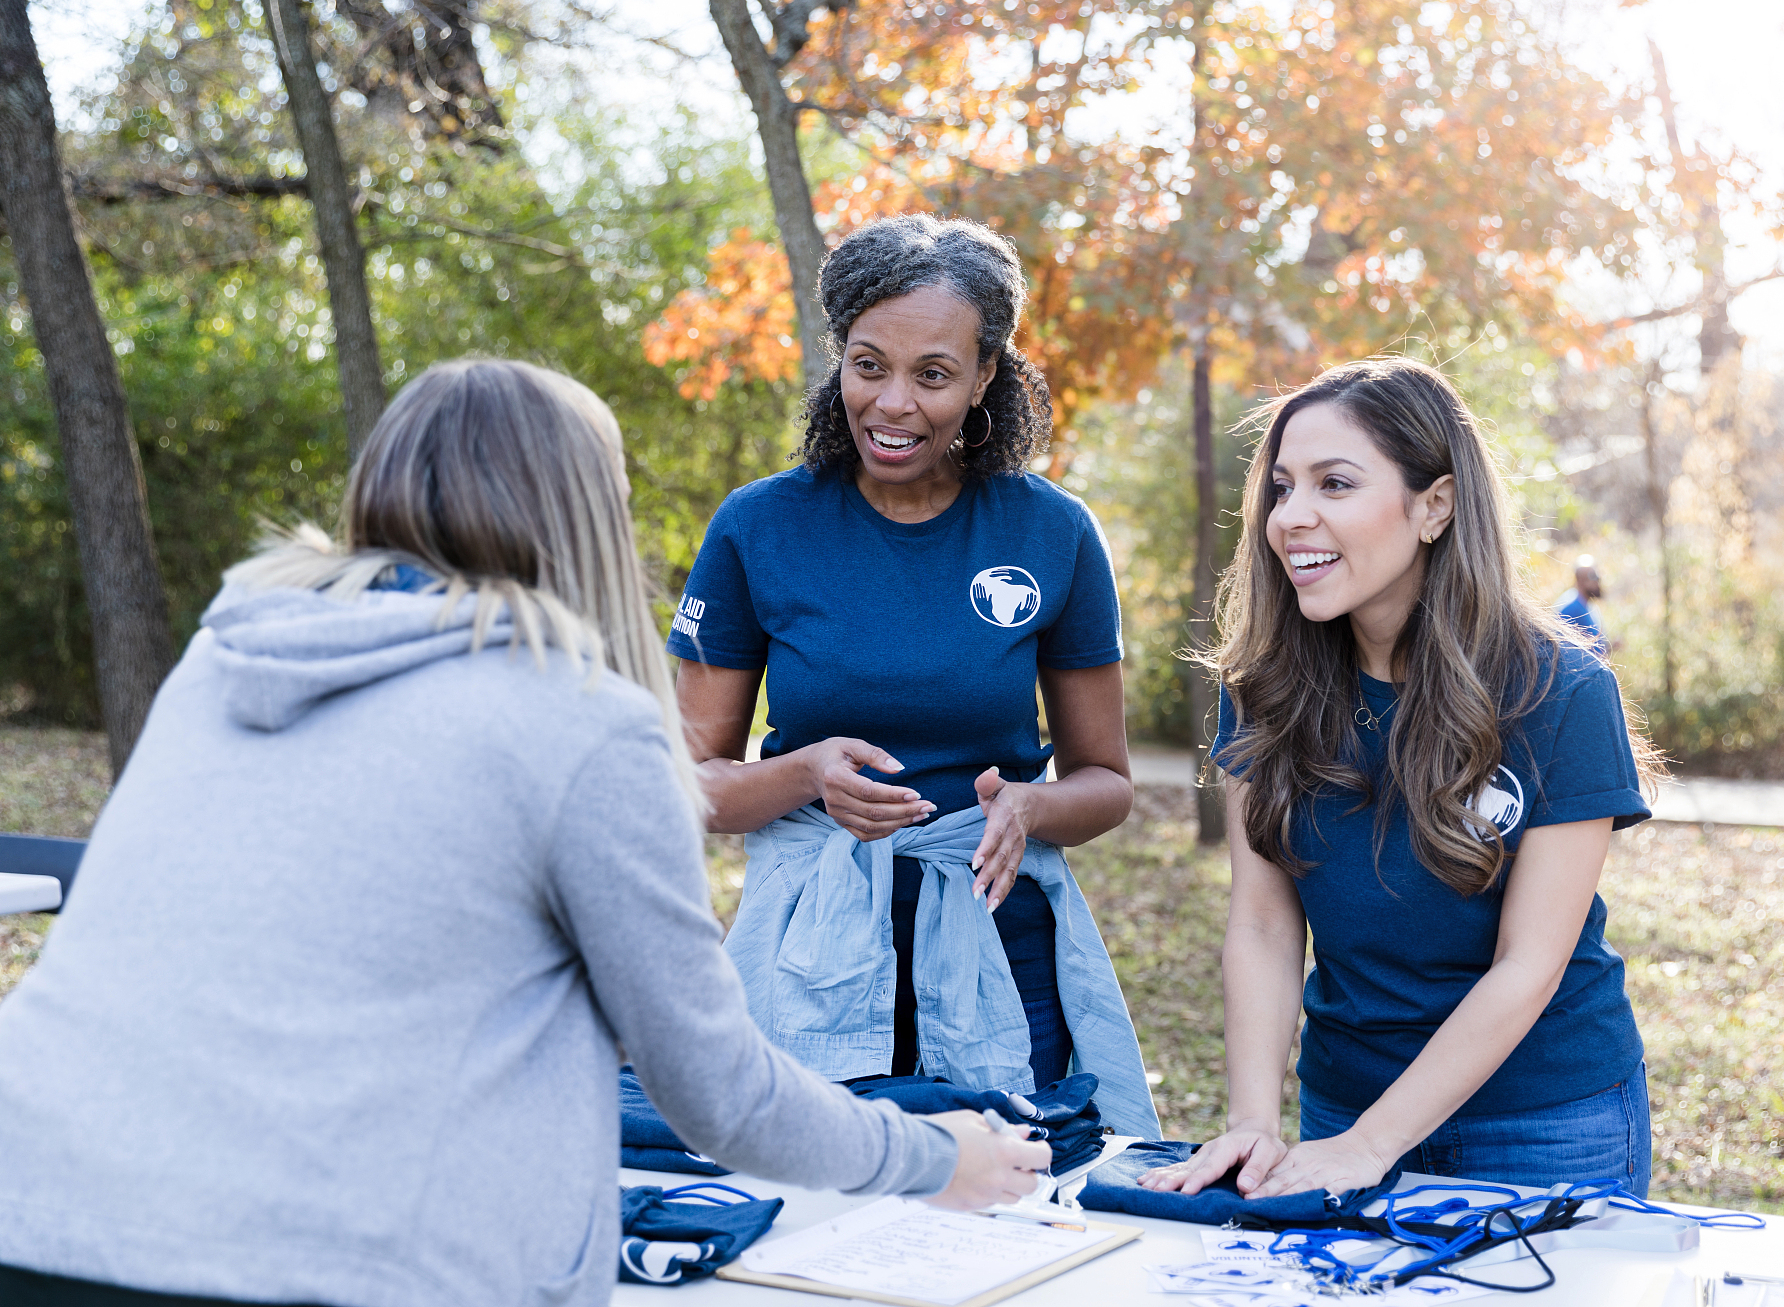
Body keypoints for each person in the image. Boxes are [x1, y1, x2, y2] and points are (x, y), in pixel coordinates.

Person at [0, 359, 1046, 1307]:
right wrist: (930, 1156)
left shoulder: (225, 664)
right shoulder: (582, 726)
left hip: (38, 1207)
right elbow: (716, 1093)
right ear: (588, 517)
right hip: (314, 1261)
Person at [672, 214, 1159, 1138]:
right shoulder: (758, 528)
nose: (893, 403)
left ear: (984, 377)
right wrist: (803, 775)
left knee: (1013, 1205)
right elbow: (692, 784)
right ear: (838, 360)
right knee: (815, 1217)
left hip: (1000, 946)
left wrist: (1029, 807)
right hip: (809, 948)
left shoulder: (1050, 534)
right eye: (869, 365)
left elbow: (1108, 783)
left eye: (932, 374)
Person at [1140, 357, 1660, 1201]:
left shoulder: (1562, 690)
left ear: (1436, 505)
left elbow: (1527, 965)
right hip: (1342, 1106)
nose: (1291, 517)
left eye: (1334, 484)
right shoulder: (1265, 690)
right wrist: (1252, 1124)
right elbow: (1266, 926)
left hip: (1543, 1122)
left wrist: (1373, 1145)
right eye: (1281, 487)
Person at [1556, 554, 1607, 656]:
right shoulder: (1571, 607)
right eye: (1593, 576)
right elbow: (1560, 647)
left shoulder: (1588, 606)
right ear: (1580, 580)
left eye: (1598, 576)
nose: (1597, 581)